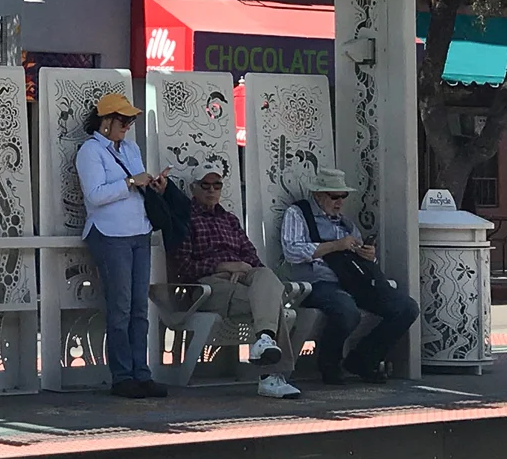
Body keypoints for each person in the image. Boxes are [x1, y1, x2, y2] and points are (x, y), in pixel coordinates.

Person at [167, 170, 300, 399]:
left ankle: (265, 341)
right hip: (207, 285)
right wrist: (223, 266)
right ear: (193, 188)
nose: (211, 190)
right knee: (270, 303)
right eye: (205, 185)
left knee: (266, 275)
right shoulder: (185, 218)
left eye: (217, 185)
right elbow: (184, 268)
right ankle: (270, 376)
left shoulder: (229, 219)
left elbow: (251, 256)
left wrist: (241, 268)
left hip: (241, 277)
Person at [281, 167, 419, 384]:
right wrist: (335, 245)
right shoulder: (298, 214)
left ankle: (364, 358)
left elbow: (358, 257)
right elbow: (291, 251)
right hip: (317, 282)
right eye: (334, 196)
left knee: (406, 307)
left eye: (343, 196)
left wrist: (368, 255)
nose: (340, 202)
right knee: (347, 310)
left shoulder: (345, 223)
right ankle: (329, 364)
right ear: (318, 195)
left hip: (352, 281)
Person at [75, 92, 169, 399]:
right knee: (120, 307)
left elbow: (137, 182)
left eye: (130, 121)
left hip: (139, 230)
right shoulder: (90, 151)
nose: (127, 126)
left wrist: (152, 184)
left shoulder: (130, 148)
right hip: (110, 233)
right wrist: (129, 183)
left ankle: (142, 373)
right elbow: (95, 195)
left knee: (139, 307)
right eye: (123, 121)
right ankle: (122, 376)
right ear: (106, 121)